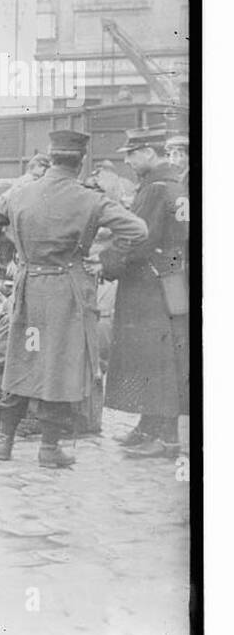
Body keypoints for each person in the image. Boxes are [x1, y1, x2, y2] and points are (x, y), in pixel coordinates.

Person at [0, 130, 147, 467]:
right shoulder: (90, 199)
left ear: (51, 158)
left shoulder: (20, 192)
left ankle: (3, 442)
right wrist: (106, 256)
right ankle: (49, 448)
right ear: (80, 162)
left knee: (23, 359)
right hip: (67, 295)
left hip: (28, 293)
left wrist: (7, 253)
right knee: (60, 367)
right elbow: (138, 230)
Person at [100, 128, 190, 458]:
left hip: (148, 284)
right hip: (171, 280)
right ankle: (148, 426)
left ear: (149, 152)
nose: (126, 160)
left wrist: (106, 263)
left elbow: (139, 238)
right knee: (163, 355)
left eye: (131, 153)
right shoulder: (174, 182)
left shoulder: (154, 187)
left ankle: (165, 437)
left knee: (154, 358)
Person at [0, 152, 51, 286]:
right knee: (14, 282)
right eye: (44, 167)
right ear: (34, 166)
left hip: (11, 238)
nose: (46, 171)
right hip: (15, 238)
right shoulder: (29, 184)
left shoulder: (24, 182)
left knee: (8, 280)